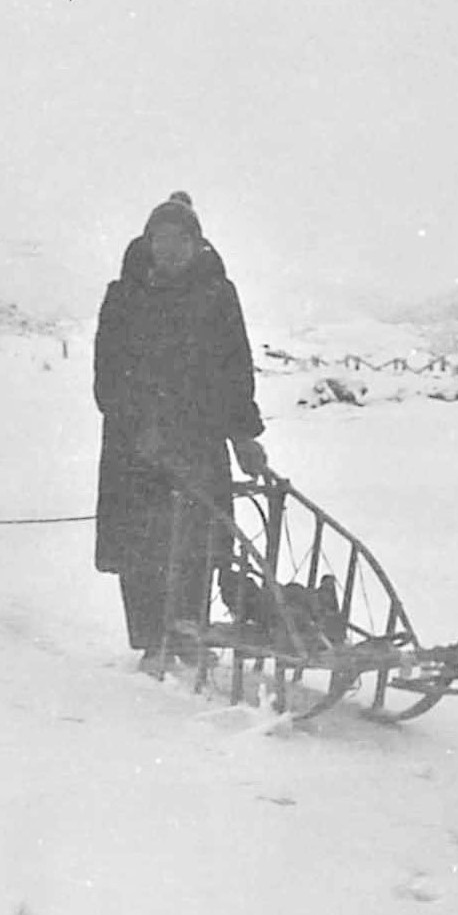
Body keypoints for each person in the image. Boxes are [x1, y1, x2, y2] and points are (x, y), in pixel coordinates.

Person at [94, 192, 270, 668]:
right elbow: (108, 376)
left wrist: (245, 434)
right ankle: (154, 639)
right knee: (143, 544)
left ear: (198, 244)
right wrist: (138, 427)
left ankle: (189, 634)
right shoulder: (124, 297)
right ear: (147, 241)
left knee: (200, 540)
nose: (169, 249)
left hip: (199, 439)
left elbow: (236, 367)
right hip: (136, 446)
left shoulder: (217, 295)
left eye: (180, 240)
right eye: (161, 239)